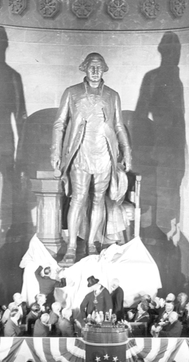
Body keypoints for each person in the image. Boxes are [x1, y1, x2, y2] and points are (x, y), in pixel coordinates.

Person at [51, 52, 132, 264]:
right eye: (91, 67)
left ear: (104, 69)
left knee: (98, 199)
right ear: (85, 68)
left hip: (105, 154)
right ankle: (70, 247)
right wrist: (56, 152)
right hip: (80, 152)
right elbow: (60, 124)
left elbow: (119, 126)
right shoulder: (72, 92)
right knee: (77, 198)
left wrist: (127, 152)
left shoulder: (112, 95)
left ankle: (91, 243)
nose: (95, 71)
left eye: (99, 67)